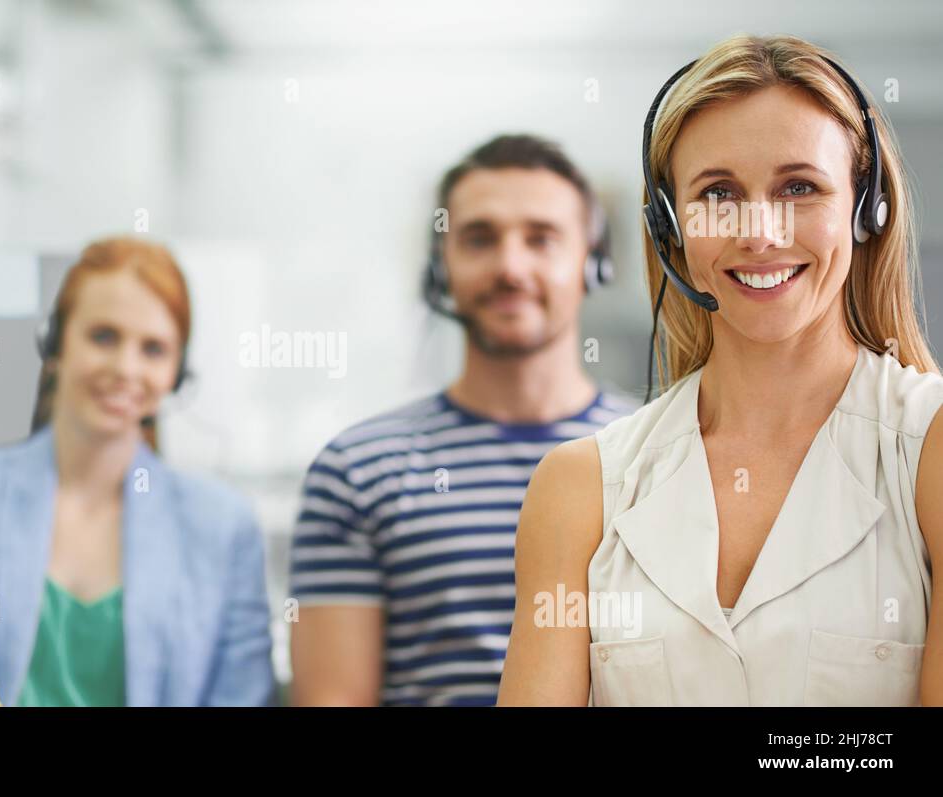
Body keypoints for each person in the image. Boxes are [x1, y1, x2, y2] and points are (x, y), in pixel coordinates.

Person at [498, 34, 943, 706]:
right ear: (670, 226)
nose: (759, 231)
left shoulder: (928, 449)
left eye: (799, 186)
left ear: (865, 208)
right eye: (718, 192)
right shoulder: (581, 488)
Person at [289, 134, 635, 706]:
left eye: (542, 238)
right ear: (440, 267)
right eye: (479, 239)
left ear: (592, 264)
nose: (510, 266)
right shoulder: (354, 470)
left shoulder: (659, 453)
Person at [0, 236, 276, 706]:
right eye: (104, 336)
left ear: (177, 373)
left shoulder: (223, 527)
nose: (126, 367)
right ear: (56, 343)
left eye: (154, 349)